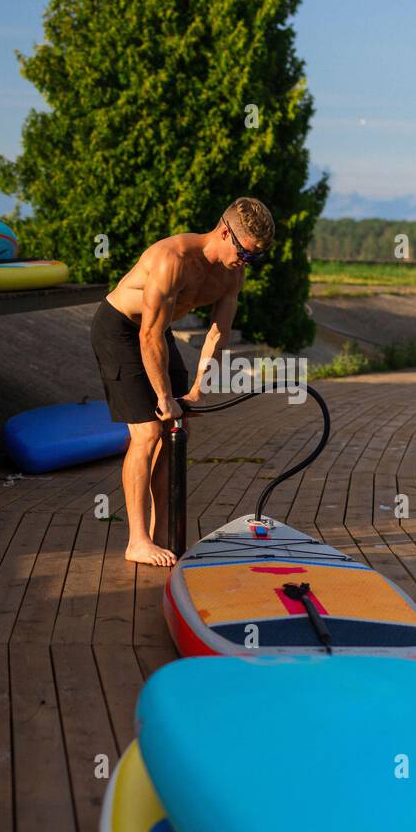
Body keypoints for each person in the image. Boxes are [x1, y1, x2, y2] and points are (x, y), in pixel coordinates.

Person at [90, 198, 275, 566]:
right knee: (146, 432)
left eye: (256, 258)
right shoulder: (170, 259)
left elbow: (218, 332)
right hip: (121, 329)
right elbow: (146, 335)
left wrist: (197, 389)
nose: (247, 263)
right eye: (245, 253)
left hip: (159, 333)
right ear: (225, 232)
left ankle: (163, 536)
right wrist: (163, 396)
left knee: (174, 430)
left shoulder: (232, 273)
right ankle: (137, 541)